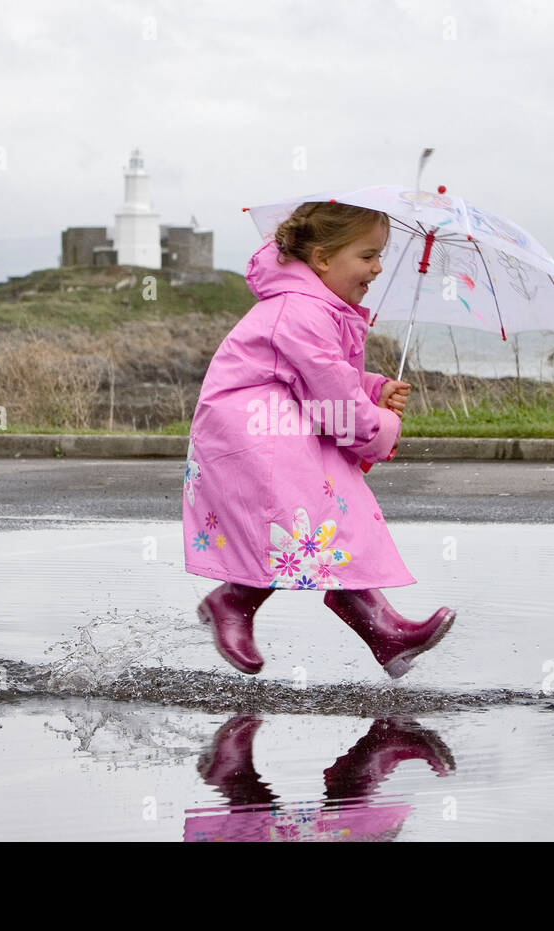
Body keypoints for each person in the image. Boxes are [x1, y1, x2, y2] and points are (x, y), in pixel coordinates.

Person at [182, 200, 456, 678]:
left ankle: (377, 630)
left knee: (323, 521)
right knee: (310, 520)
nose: (377, 268)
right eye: (368, 256)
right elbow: (336, 404)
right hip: (255, 435)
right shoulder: (304, 311)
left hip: (272, 427)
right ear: (324, 259)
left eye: (380, 256)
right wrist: (382, 427)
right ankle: (238, 602)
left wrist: (373, 388)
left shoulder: (314, 307)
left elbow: (324, 377)